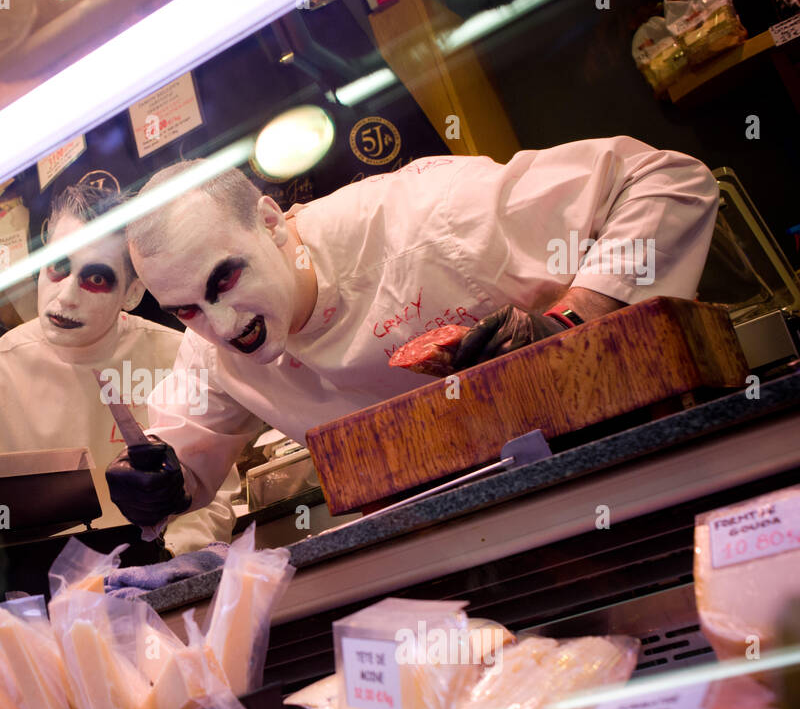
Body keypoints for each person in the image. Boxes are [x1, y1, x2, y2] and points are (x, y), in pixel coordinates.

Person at [105, 136, 720, 528]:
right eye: (185, 310)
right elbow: (179, 457)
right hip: (445, 544)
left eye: (226, 279)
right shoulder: (209, 353)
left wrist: (573, 321)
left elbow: (667, 180)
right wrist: (158, 484)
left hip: (622, 476)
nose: (221, 325)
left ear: (270, 222)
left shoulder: (427, 215)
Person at [0, 183, 238, 555]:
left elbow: (215, 495)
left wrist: (164, 561)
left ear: (132, 293)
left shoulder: (178, 356)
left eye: (95, 278)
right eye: (58, 267)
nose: (65, 296)